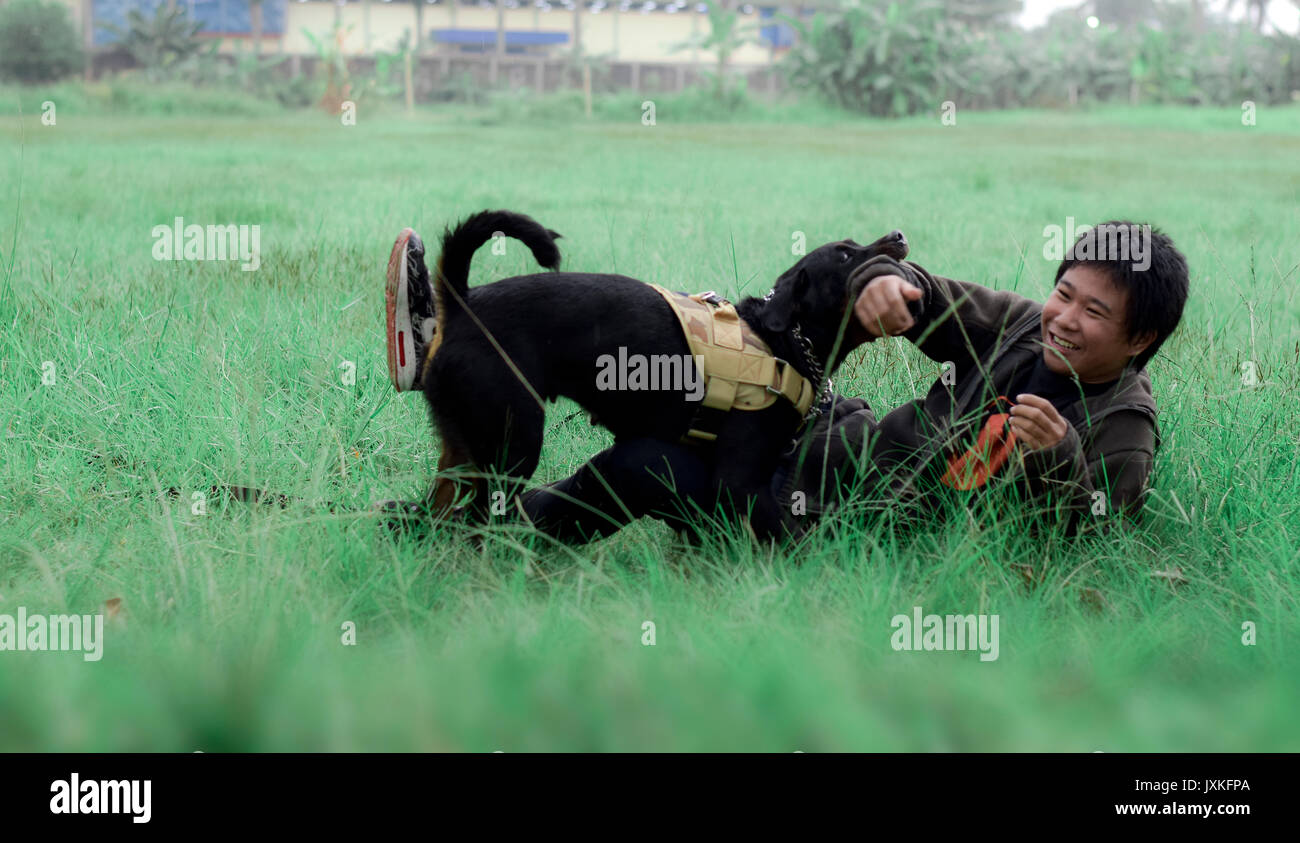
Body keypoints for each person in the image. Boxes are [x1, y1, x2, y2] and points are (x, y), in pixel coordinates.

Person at [384, 221, 1189, 544]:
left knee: (649, 465)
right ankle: (468, 393)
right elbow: (921, 289)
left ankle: (507, 523)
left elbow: (1090, 540)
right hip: (828, 439)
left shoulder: (1123, 427)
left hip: (826, 518)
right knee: (714, 376)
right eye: (1066, 293)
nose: (1067, 317)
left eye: (1095, 311)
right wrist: (882, 276)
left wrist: (1056, 459)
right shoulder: (1020, 324)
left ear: (1140, 337)